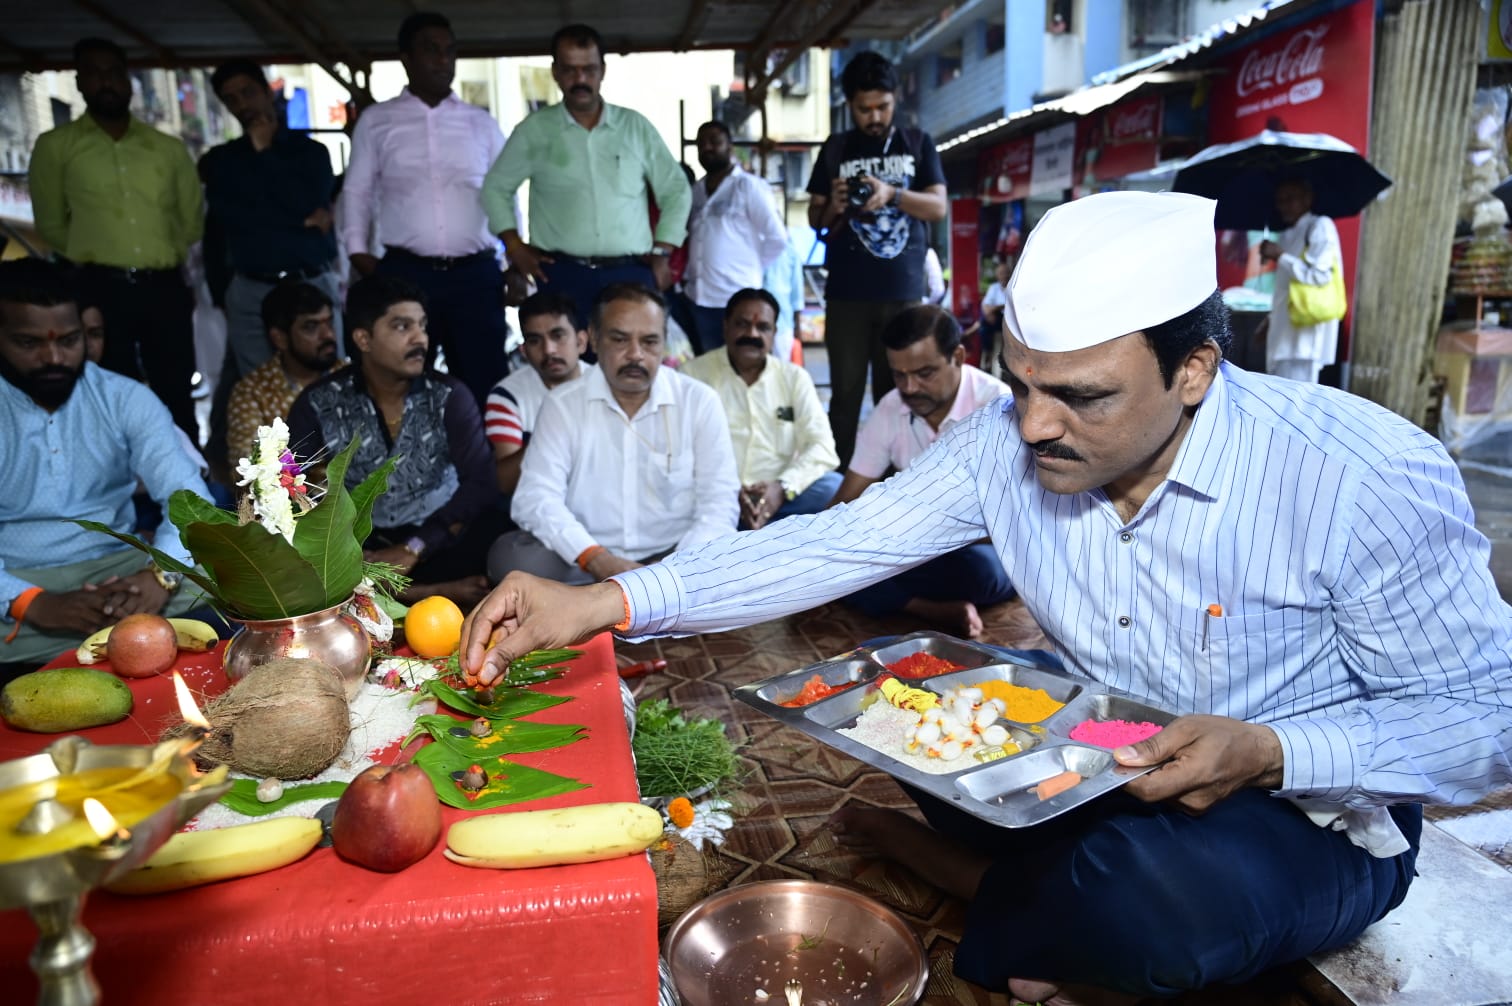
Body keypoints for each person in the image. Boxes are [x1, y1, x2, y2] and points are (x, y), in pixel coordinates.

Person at [459, 191, 1512, 1003]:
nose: (1036, 426)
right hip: (1119, 752)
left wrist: (1271, 749)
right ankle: (1018, 880)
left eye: (1081, 396)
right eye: (1018, 384)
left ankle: (985, 882)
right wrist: (604, 604)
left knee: (1148, 895)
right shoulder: (1002, 445)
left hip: (1318, 812)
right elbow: (829, 546)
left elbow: (1488, 722)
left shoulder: (1358, 474)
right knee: (923, 727)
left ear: (1194, 370)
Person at [0, 259, 212, 672]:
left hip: (122, 571)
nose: (54, 357)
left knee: (236, 583)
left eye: (69, 339)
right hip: (16, 576)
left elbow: (190, 500)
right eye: (29, 343)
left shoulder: (124, 398)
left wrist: (159, 576)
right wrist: (30, 602)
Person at [487, 284, 738, 585]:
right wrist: (596, 558)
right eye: (619, 339)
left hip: (675, 554)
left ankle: (638, 591)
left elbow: (719, 502)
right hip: (586, 558)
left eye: (649, 342)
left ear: (663, 344)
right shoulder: (562, 405)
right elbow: (536, 496)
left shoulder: (699, 401)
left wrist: (670, 570)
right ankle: (632, 591)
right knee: (511, 559)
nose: (635, 355)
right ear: (593, 338)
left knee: (730, 555)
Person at [29, 37, 204, 441]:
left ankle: (187, 492)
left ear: (128, 81)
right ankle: (119, 494)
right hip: (97, 288)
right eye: (93, 72)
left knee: (176, 392)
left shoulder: (167, 149)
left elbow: (191, 221)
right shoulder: (57, 147)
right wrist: (93, 258)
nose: (105, 81)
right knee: (106, 392)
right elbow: (51, 224)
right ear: (79, 83)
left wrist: (163, 257)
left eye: (113, 72)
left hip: (163, 287)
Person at [286, 275, 497, 607]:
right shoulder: (318, 403)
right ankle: (425, 595)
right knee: (301, 561)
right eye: (402, 327)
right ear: (364, 339)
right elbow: (291, 487)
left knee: (496, 534)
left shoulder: (449, 396)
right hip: (360, 550)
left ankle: (395, 594)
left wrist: (415, 545)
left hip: (439, 540)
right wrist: (344, 545)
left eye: (423, 326)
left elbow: (481, 481)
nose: (420, 339)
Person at [339, 12, 510, 407]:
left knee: (486, 382)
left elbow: (505, 193)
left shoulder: (480, 123)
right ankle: (404, 469)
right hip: (405, 273)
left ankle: (485, 469)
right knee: (399, 384)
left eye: (449, 51)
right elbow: (357, 191)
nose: (442, 60)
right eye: (431, 50)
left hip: (476, 275)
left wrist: (513, 259)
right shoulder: (377, 121)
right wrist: (358, 253)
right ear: (406, 58)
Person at [480, 24, 691, 333]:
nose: (580, 80)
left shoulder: (634, 127)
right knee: (567, 372)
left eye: (589, 70)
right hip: (562, 275)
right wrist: (514, 246)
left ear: (602, 70)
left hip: (630, 272)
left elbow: (676, 191)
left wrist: (662, 253)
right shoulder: (535, 130)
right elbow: (495, 188)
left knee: (632, 369)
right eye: (570, 70)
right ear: (555, 71)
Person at [830, 305, 1013, 636]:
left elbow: (1014, 525)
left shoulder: (998, 408)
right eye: (899, 375)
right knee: (839, 561)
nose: (910, 388)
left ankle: (898, 597)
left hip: (980, 552)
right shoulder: (890, 407)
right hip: (912, 551)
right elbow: (848, 497)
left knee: (982, 573)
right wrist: (825, 543)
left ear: (957, 356)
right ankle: (930, 609)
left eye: (924, 373)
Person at [807, 50, 946, 467]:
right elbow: (816, 217)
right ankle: (839, 484)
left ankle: (898, 482)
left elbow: (938, 207)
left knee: (902, 392)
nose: (873, 116)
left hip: (904, 293)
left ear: (895, 98)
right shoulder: (836, 147)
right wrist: (834, 202)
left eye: (882, 106)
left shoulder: (917, 143)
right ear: (850, 105)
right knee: (845, 395)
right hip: (847, 293)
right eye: (863, 109)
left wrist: (892, 195)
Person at [201, 59, 340, 469]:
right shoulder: (223, 160)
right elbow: (228, 221)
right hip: (252, 288)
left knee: (330, 378)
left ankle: (335, 476)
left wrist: (264, 156)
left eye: (247, 92)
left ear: (266, 90)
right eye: (230, 99)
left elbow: (309, 205)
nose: (241, 104)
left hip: (310, 282)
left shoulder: (310, 152)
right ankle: (283, 486)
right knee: (264, 389)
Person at [682, 289, 840, 529]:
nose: (752, 334)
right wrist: (729, 491)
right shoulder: (693, 375)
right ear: (725, 326)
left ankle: (755, 520)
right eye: (742, 324)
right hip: (714, 494)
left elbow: (822, 448)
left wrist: (781, 488)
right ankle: (756, 526)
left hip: (777, 495)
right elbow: (679, 450)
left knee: (832, 488)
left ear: (774, 333)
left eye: (763, 327)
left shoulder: (793, 378)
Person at [676, 121, 788, 354]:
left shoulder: (749, 187)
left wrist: (749, 268)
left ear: (730, 146)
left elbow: (777, 238)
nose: (707, 148)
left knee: (738, 367)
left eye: (715, 142)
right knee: (707, 370)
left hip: (735, 297)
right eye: (701, 144)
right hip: (698, 297)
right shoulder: (696, 190)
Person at [483, 291, 594, 497]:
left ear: (581, 342)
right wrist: (552, 431)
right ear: (524, 351)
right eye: (535, 341)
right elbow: (505, 483)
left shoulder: (609, 386)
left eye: (558, 336)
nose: (549, 349)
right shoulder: (506, 397)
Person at [225, 281, 340, 472]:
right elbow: (252, 473)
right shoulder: (252, 392)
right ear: (280, 338)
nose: (328, 335)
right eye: (311, 327)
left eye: (329, 322)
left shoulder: (352, 377)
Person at [1259, 178, 1341, 383]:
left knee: (1296, 405)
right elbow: (1287, 288)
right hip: (1284, 333)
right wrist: (1271, 319)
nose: (1284, 205)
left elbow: (1319, 276)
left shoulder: (1320, 226)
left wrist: (1281, 256)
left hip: (1305, 340)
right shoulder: (1287, 234)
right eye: (1280, 200)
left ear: (1307, 199)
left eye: (1290, 198)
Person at [763, 236, 806, 365]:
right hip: (761, 319)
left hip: (783, 321)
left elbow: (797, 293)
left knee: (782, 367)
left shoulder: (790, 251)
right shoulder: (757, 247)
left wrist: (797, 327)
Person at [968, 258, 1012, 377]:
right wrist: (991, 311)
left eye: (1005, 272)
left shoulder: (1014, 286)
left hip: (1008, 320)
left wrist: (995, 308)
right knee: (985, 324)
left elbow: (1010, 306)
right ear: (997, 275)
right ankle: (986, 353)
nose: (1003, 275)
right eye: (1000, 273)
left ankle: (986, 356)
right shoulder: (994, 288)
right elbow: (986, 306)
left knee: (986, 323)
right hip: (994, 320)